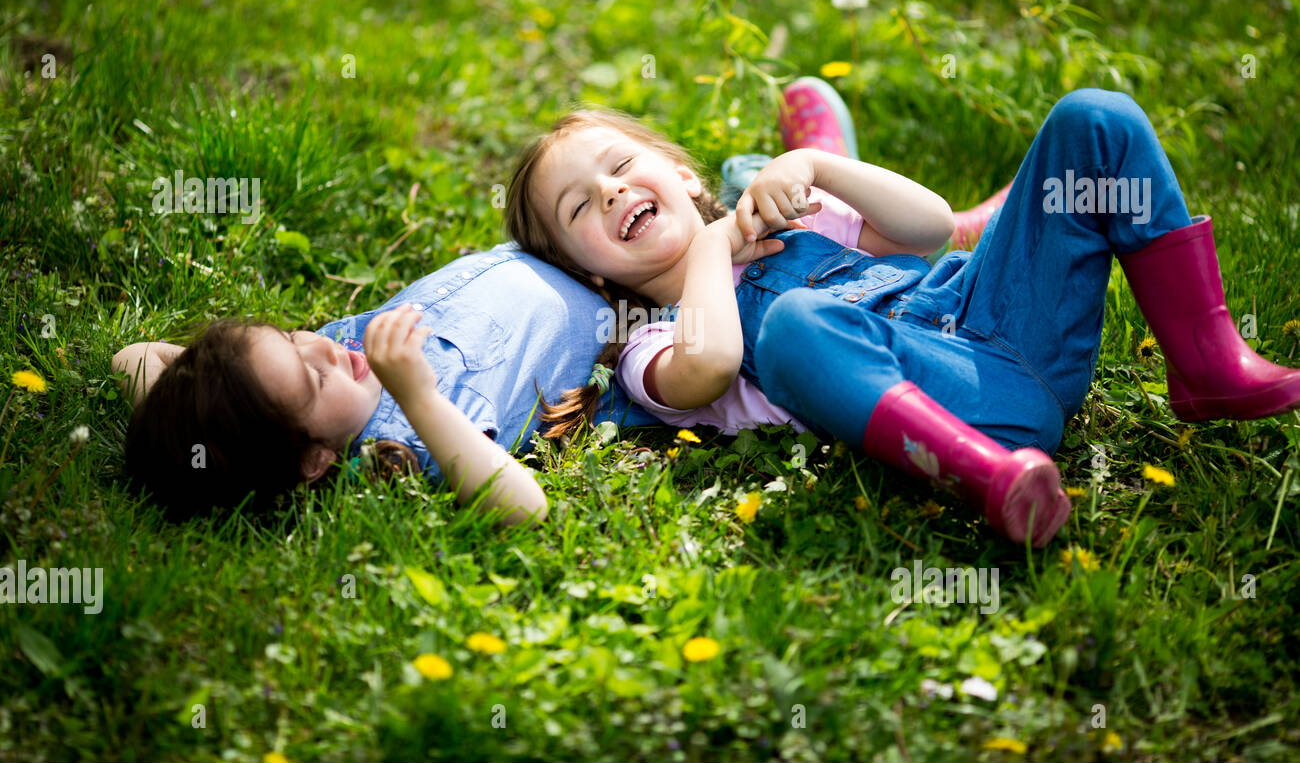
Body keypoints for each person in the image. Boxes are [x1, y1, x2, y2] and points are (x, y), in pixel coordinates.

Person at [504, 82, 1300, 547]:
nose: (609, 192)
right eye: (580, 207)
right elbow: (711, 366)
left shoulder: (791, 216)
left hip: (1006, 322)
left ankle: (1206, 361)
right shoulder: (650, 344)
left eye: (618, 167)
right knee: (794, 325)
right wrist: (712, 253)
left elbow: (927, 226)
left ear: (676, 171)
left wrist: (816, 166)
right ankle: (989, 481)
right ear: (586, 269)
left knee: (1095, 117)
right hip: (959, 407)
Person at [112, 244, 662, 525]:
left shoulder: (326, 362)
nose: (325, 347)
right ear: (314, 460)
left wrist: (189, 417)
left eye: (291, 337)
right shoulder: (413, 439)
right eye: (311, 377)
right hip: (637, 317)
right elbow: (526, 508)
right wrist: (419, 395)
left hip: (570, 253)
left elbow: (132, 358)